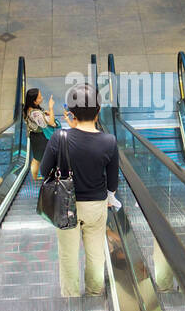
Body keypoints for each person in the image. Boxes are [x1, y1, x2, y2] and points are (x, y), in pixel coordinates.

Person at [38, 83, 119, 297]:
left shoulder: (59, 138)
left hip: (66, 206)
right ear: (98, 111)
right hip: (95, 207)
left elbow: (44, 171)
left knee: (68, 255)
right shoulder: (109, 142)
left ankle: (71, 297)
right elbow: (112, 183)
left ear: (71, 114)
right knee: (95, 253)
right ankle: (94, 292)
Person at [24, 87, 57, 180]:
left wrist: (43, 114)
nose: (42, 98)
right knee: (39, 158)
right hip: (39, 138)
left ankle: (35, 178)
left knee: (37, 158)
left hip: (35, 136)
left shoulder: (30, 109)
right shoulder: (35, 113)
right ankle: (37, 178)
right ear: (34, 101)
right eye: (39, 97)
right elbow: (51, 123)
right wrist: (51, 108)